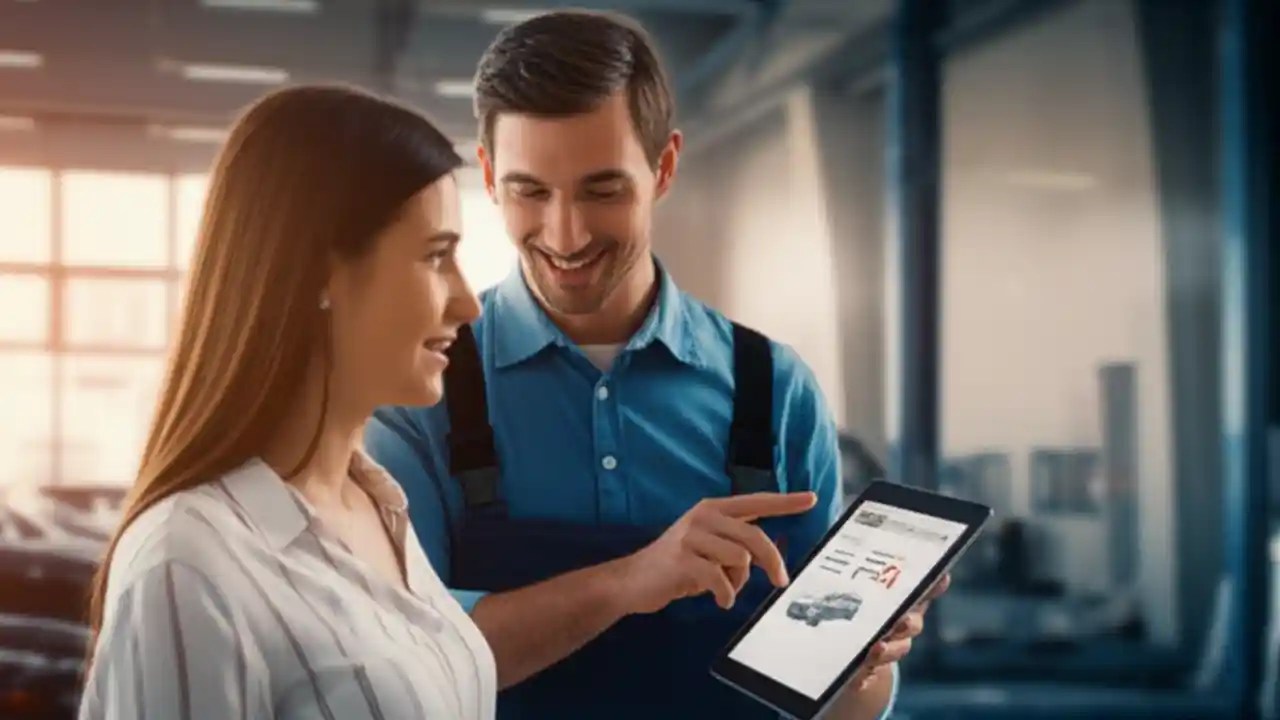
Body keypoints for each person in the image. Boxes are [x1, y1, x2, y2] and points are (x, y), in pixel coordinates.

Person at [366, 10, 948, 720]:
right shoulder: (419, 387)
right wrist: (629, 582)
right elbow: (405, 660)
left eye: (602, 190)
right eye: (531, 191)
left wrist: (864, 661)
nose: (566, 233)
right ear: (488, 176)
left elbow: (835, 710)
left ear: (664, 167)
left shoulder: (775, 388)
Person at [79, 85, 495, 719]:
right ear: (318, 272)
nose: (469, 302)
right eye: (436, 256)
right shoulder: (188, 566)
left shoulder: (377, 507)